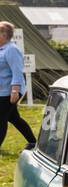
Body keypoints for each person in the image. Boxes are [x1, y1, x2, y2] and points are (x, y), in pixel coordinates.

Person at [0, 21, 37, 150]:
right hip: (2, 91)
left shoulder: (12, 50)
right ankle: (33, 142)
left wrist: (15, 91)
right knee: (14, 118)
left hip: (10, 91)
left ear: (4, 35)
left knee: (1, 118)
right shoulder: (2, 49)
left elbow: (17, 71)